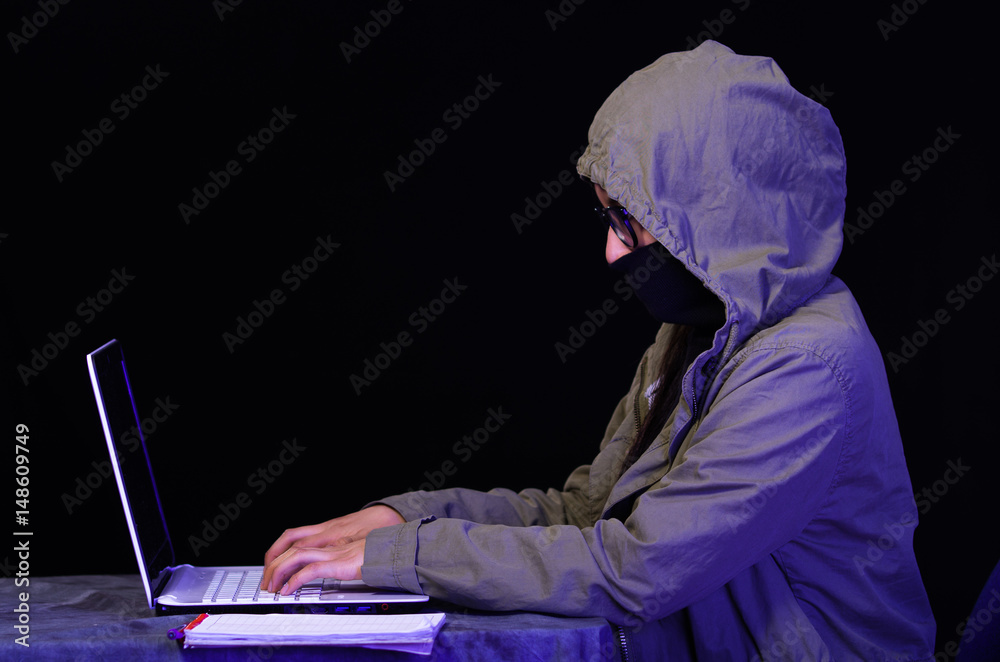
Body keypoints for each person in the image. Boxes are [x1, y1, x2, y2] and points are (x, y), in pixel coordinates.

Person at [262, 40, 936, 660]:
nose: (613, 252)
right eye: (608, 218)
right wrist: (404, 516)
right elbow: (587, 513)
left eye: (629, 221)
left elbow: (633, 568)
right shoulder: (701, 334)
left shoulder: (806, 368)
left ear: (711, 216)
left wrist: (402, 557)